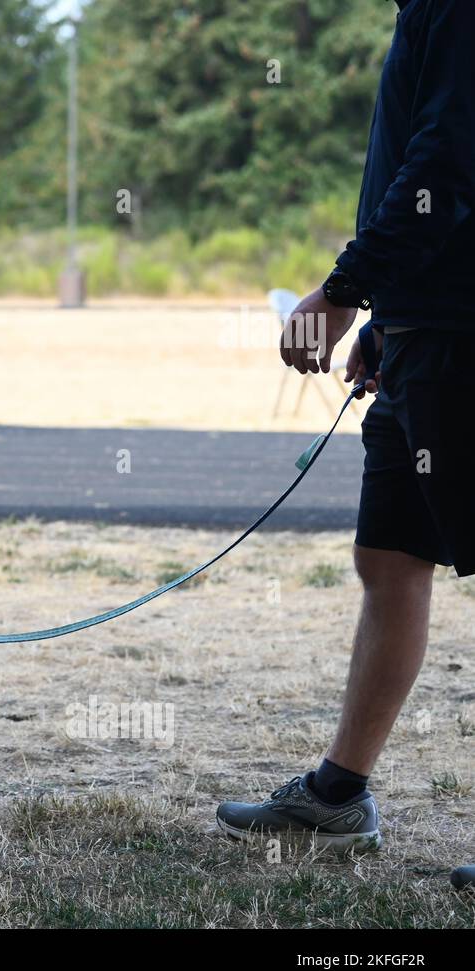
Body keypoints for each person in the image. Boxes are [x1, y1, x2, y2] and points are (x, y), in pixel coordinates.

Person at [216, 0, 475, 893]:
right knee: (389, 556)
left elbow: (447, 167)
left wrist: (344, 292)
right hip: (420, 334)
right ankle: (339, 796)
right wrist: (386, 318)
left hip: (463, 339)